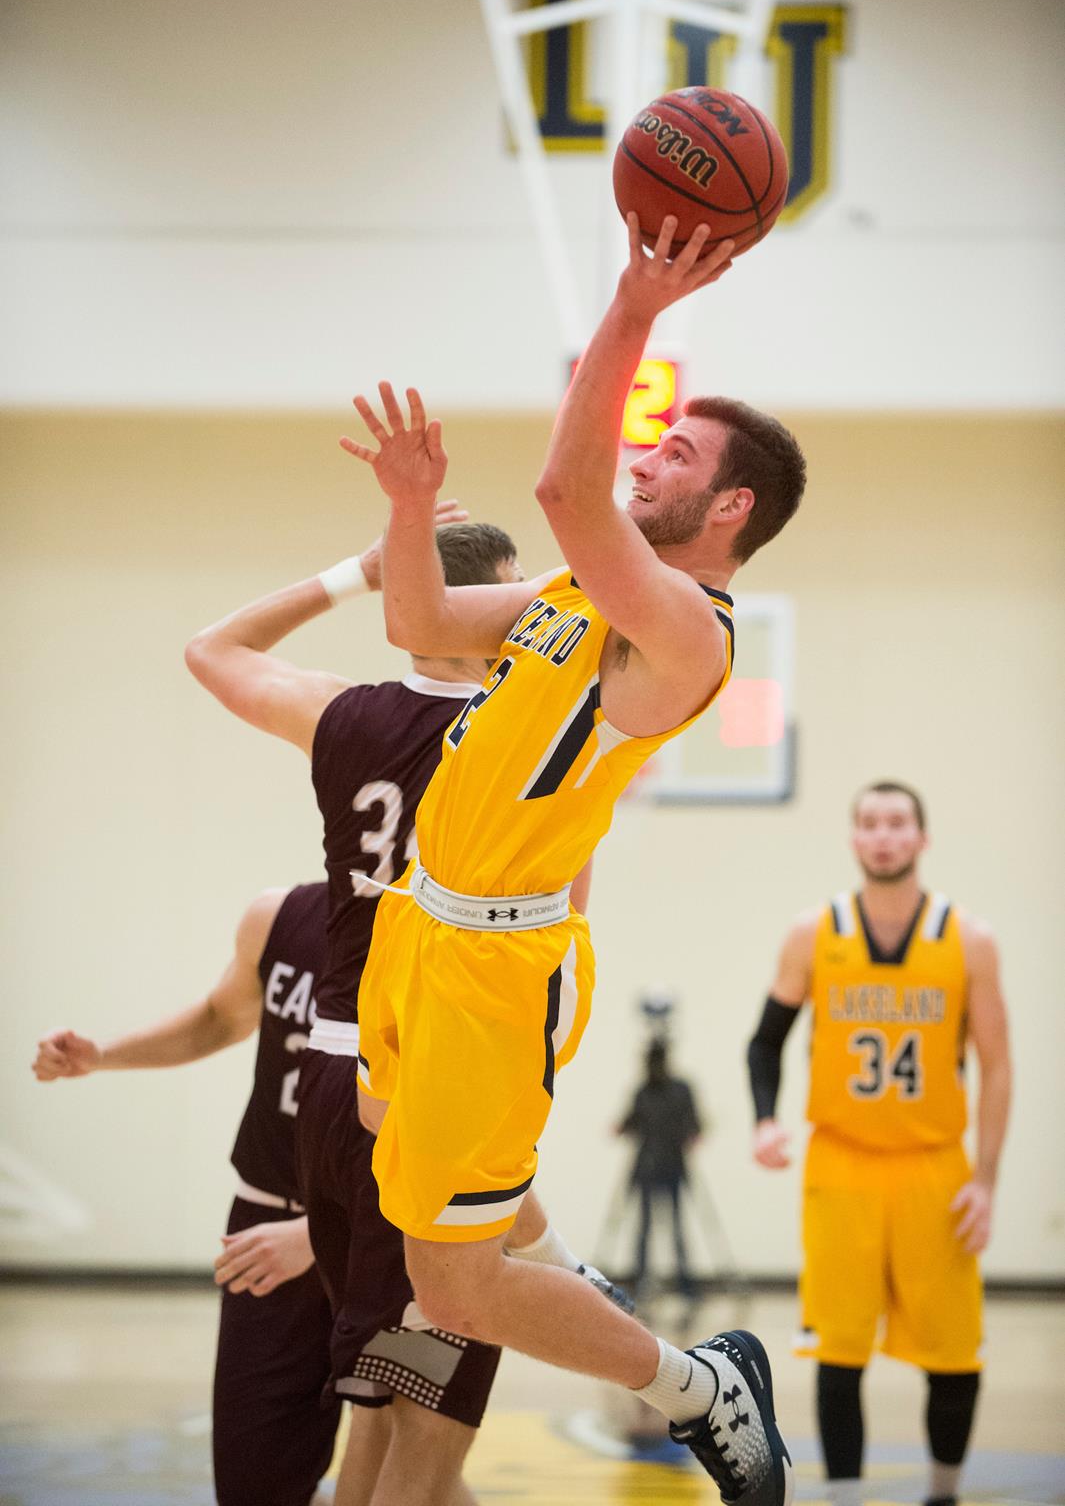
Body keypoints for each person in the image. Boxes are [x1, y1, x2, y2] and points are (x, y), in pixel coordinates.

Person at [339, 213, 806, 1504]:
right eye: (650, 444)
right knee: (417, 1211)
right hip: (416, 931)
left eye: (675, 455)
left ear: (731, 506)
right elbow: (424, 621)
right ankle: (539, 1288)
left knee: (451, 1282)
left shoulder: (686, 636)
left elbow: (565, 490)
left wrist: (635, 308)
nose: (647, 463)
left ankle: (696, 1388)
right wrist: (414, 502)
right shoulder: (570, 595)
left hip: (495, 968)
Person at [185, 515, 606, 1506]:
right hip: (442, 1087)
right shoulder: (531, 742)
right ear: (495, 600)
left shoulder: (342, 713)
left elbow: (211, 650)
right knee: (422, 1435)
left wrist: (358, 572)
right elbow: (563, 930)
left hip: (333, 1082)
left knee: (380, 1425)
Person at [32, 883, 345, 1506]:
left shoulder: (442, 929)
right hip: (266, 1216)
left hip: (385, 1230)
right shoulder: (281, 915)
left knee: (407, 1474)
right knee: (254, 1483)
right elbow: (220, 1017)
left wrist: (322, 1234)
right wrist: (104, 1055)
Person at [746, 781, 1011, 1506]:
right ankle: (844, 1500)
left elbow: (996, 1065)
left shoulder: (968, 939)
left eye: (897, 823)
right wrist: (765, 1119)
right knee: (838, 1350)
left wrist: (984, 1180)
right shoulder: (814, 932)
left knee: (954, 1353)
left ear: (921, 839)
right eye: (869, 823)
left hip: (933, 1164)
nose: (883, 836)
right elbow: (764, 1044)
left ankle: (943, 1494)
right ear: (853, 839)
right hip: (843, 1161)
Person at [618, 1038, 702, 1296]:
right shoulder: (644, 1091)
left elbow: (694, 1125)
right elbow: (630, 1123)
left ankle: (684, 1284)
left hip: (671, 1166)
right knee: (644, 1228)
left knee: (676, 1227)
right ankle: (642, 1282)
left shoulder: (680, 1090)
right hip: (647, 1167)